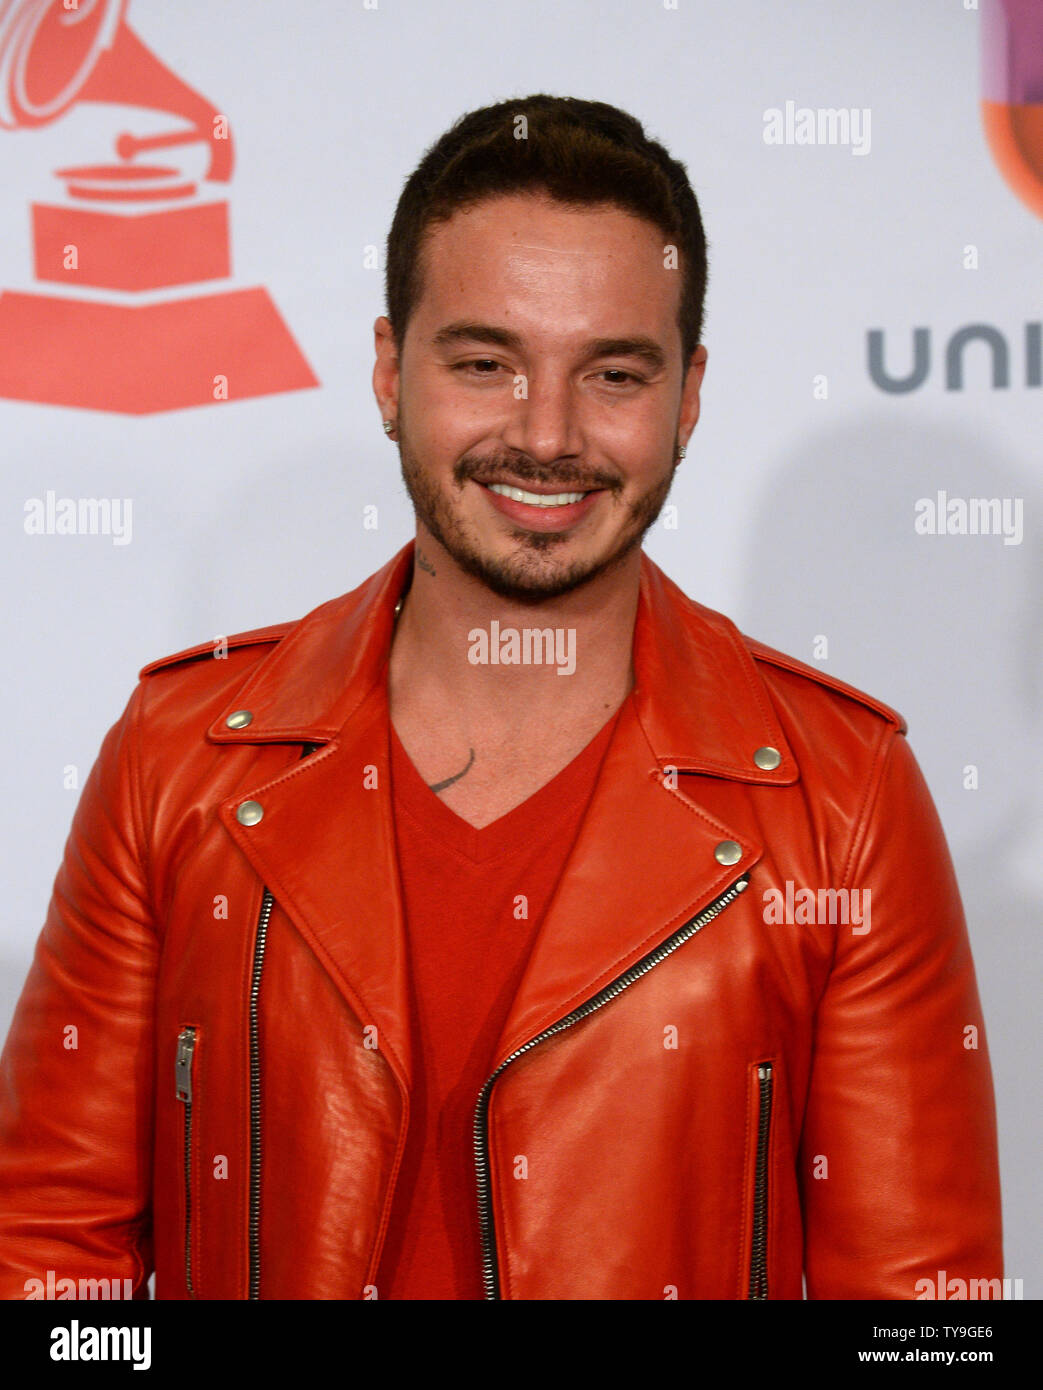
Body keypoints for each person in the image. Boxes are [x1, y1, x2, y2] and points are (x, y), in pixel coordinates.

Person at [0, 94, 1002, 1301]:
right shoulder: (179, 760)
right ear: (387, 371)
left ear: (686, 396)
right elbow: (51, 1262)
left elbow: (918, 1320)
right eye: (484, 362)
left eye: (612, 372)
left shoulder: (841, 797)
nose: (545, 433)